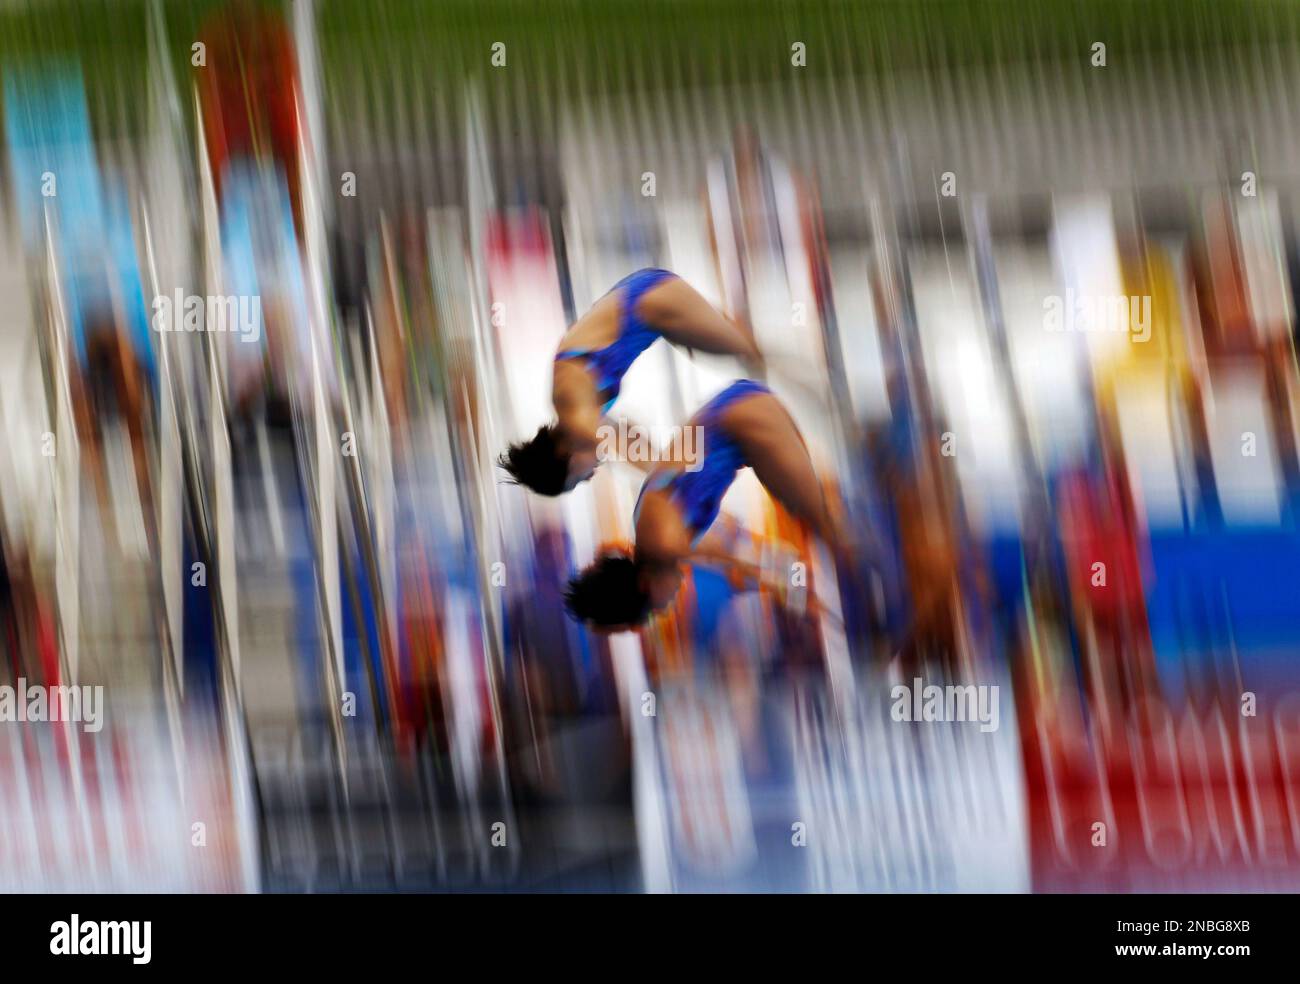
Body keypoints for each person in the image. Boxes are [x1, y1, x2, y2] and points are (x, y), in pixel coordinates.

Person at [565, 380, 851, 630]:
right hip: (741, 414)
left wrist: (792, 586)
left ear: (646, 587)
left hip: (743, 421)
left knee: (832, 532)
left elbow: (734, 554)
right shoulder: (657, 540)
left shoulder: (664, 543)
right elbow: (734, 557)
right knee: (827, 528)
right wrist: (789, 585)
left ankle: (880, 614)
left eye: (659, 608)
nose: (671, 603)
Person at [499, 268, 761, 495]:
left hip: (650, 303)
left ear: (561, 457)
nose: (589, 478)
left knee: (752, 352)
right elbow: (637, 443)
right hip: (648, 301)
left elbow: (636, 452)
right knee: (746, 346)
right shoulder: (577, 415)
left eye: (577, 480)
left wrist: (670, 476)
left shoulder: (578, 422)